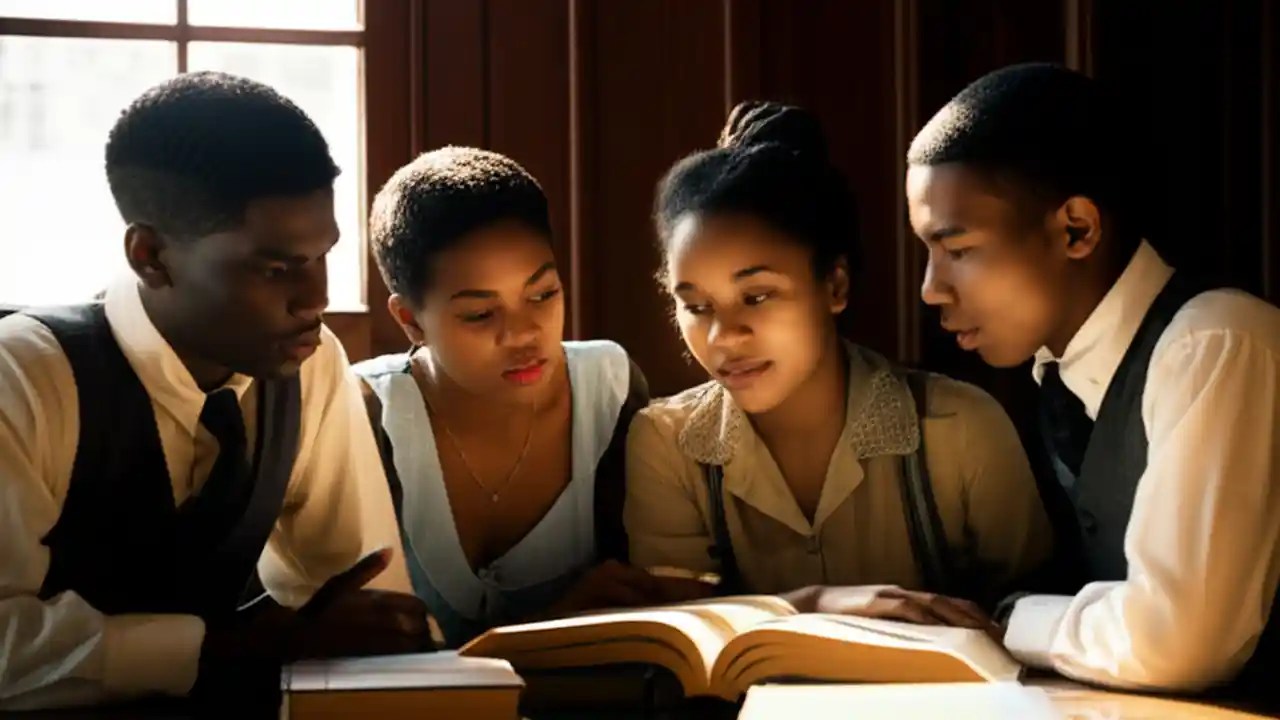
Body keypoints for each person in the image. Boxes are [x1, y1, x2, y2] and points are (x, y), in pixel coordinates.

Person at [0, 72, 431, 711]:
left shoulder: (310, 368)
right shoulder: (27, 378)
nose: (316, 300)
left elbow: (360, 602)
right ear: (150, 256)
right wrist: (223, 648)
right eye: (275, 268)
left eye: (322, 257)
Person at [905, 62, 1280, 696]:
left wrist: (1010, 618)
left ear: (1075, 228)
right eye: (928, 252)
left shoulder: (1216, 342)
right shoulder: (1056, 382)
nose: (930, 289)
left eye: (959, 249)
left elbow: (1178, 642)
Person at [625, 101, 1053, 626]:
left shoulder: (962, 429)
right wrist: (806, 605)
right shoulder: (666, 446)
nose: (723, 336)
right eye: (696, 306)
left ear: (835, 285)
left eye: (757, 297)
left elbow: (1038, 615)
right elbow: (676, 633)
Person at [355, 147, 710, 649]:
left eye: (543, 295)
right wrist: (550, 620)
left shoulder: (609, 392)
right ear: (409, 320)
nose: (525, 335)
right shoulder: (366, 415)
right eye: (480, 314)